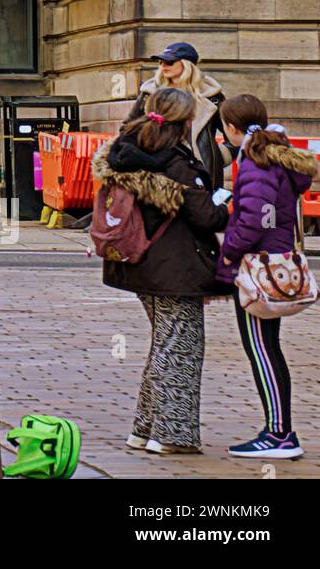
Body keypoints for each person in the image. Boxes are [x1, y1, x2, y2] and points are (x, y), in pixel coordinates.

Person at [93, 86, 230, 455]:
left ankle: (145, 427)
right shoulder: (176, 163)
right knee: (181, 348)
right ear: (185, 121)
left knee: (163, 345)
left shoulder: (129, 154)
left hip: (141, 265)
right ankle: (172, 434)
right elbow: (208, 215)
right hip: (176, 268)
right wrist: (223, 200)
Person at [216, 95, 317, 460]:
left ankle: (279, 434)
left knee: (261, 350)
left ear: (231, 127)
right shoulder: (275, 157)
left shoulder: (256, 162)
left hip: (257, 267)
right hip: (276, 263)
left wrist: (229, 251)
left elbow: (257, 218)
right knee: (270, 349)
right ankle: (279, 430)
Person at [127, 41, 230, 191]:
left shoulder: (212, 97)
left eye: (169, 62)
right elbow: (128, 129)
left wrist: (217, 156)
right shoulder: (149, 94)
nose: (163, 66)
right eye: (161, 62)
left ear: (187, 65)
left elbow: (234, 133)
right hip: (161, 175)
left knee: (203, 212)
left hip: (203, 176)